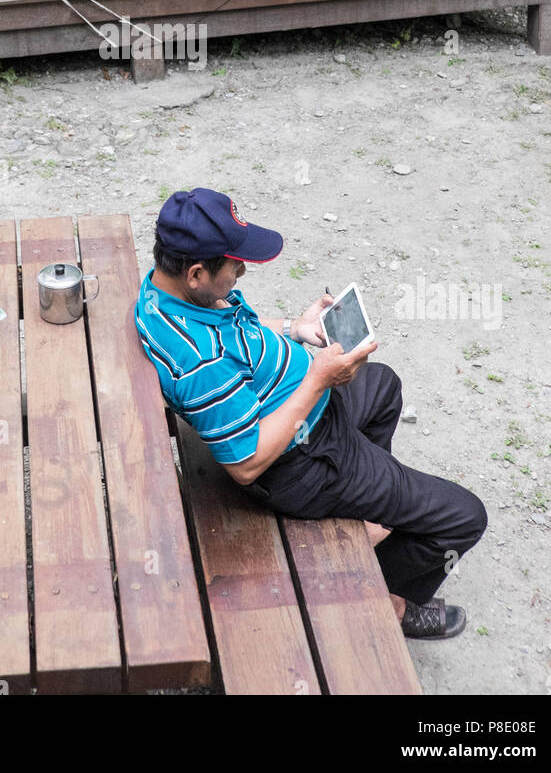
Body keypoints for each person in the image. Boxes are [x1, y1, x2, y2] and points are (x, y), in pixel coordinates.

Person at [134, 187, 487, 640]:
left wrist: (292, 328)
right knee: (463, 516)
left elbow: (234, 330)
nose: (242, 271)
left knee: (383, 386)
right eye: (235, 264)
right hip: (299, 459)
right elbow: (247, 464)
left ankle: (365, 512)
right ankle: (382, 598)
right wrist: (319, 379)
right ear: (198, 272)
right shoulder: (199, 363)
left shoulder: (165, 288)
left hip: (303, 414)